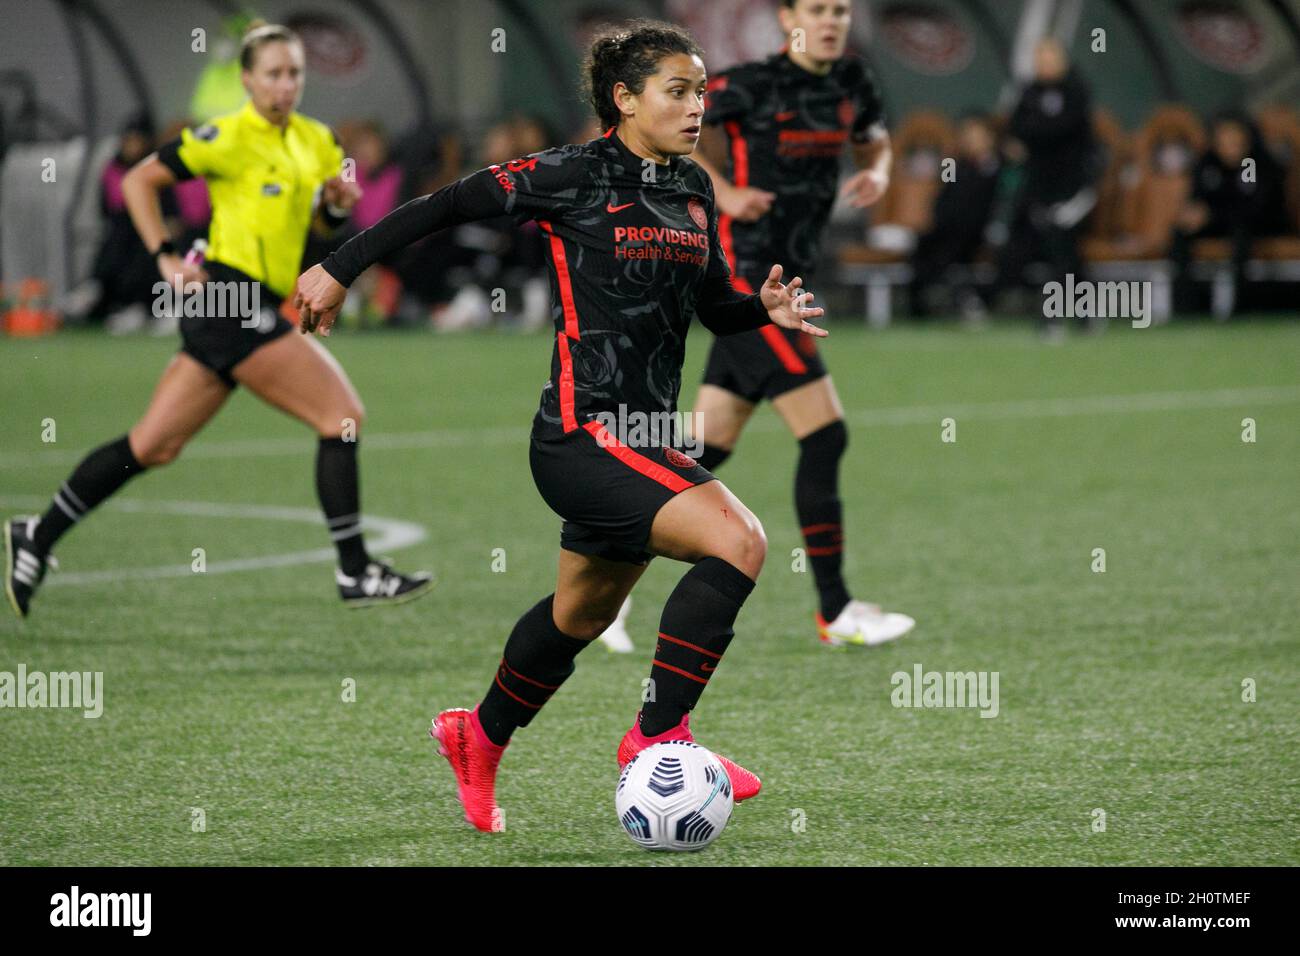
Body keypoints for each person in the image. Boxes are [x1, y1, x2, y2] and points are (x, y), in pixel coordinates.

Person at [294, 20, 827, 831]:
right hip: (583, 436)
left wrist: (762, 306)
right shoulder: (569, 175)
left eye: (701, 93)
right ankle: (659, 737)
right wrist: (339, 267)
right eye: (677, 92)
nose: (696, 108)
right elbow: (445, 205)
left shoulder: (690, 188)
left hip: (645, 440)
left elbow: (712, 300)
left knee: (578, 617)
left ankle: (477, 734)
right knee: (740, 540)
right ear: (624, 98)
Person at [3, 22, 430, 619]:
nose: (286, 85)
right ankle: (355, 570)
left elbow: (326, 226)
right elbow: (138, 180)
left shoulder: (320, 142)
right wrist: (165, 257)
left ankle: (37, 535)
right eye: (274, 74)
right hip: (228, 298)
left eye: (295, 74)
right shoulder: (226, 136)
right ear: (249, 79)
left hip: (246, 305)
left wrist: (334, 206)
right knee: (342, 417)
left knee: (152, 446)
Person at [605, 0, 914, 651]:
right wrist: (722, 189)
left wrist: (878, 169)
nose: (831, 20)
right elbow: (663, 130)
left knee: (698, 452)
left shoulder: (852, 81)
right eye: (817, 9)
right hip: (747, 285)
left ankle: (606, 588)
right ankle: (836, 611)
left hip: (790, 283)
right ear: (786, 17)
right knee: (825, 436)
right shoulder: (747, 84)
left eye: (840, 10)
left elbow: (877, 136)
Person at [980, 37, 1099, 334]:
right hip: (1038, 188)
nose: (1043, 64)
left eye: (1049, 57)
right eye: (1039, 58)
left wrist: (1033, 135)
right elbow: (1014, 128)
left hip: (1074, 189)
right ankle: (1085, 312)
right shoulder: (1029, 92)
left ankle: (1056, 315)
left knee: (1061, 245)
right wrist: (1030, 135)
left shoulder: (1076, 90)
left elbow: (1060, 131)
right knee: (1042, 246)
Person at [1170, 111, 1290, 317]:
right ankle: (1186, 308)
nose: (1229, 143)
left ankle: (1239, 308)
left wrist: (1211, 215)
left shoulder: (1252, 164)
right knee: (1179, 234)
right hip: (1220, 223)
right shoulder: (1208, 163)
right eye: (1224, 137)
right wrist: (1193, 214)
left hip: (1256, 225)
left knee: (1241, 234)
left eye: (1234, 137)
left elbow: (1253, 208)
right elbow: (1198, 197)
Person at [908, 112, 1001, 319]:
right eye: (967, 135)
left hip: (980, 232)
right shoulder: (953, 166)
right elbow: (943, 199)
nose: (971, 140)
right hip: (950, 229)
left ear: (990, 138)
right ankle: (920, 308)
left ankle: (971, 299)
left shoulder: (1000, 168)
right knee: (923, 244)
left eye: (977, 135)